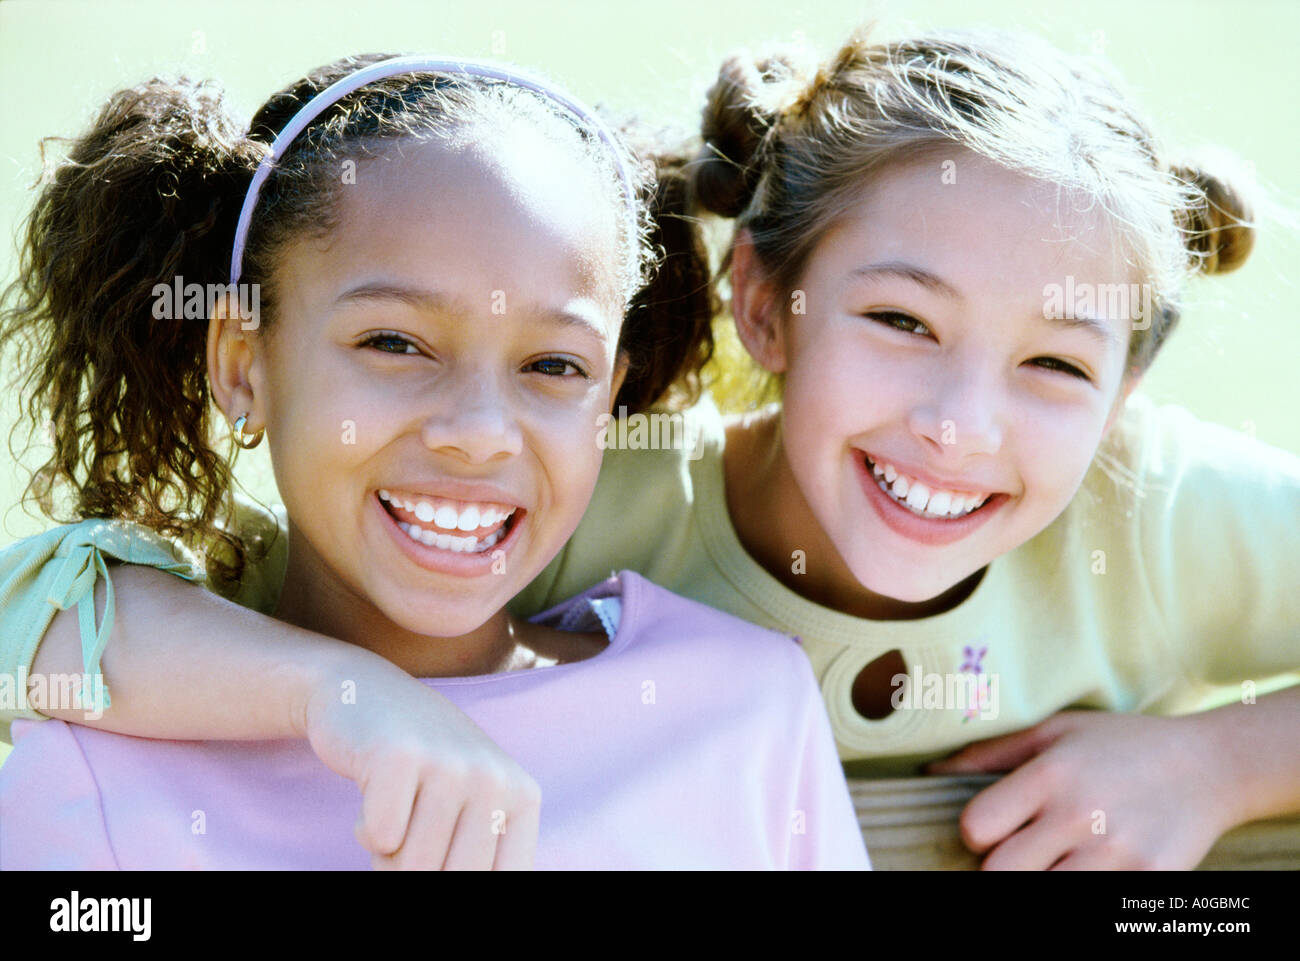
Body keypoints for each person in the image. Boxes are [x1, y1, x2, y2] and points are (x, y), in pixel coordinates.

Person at [7, 27, 1300, 871]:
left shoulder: (1160, 511)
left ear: (1127, 386)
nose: (962, 419)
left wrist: (1217, 764)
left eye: (1059, 362)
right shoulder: (586, 491)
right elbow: (42, 616)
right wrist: (343, 694)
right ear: (757, 301)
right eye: (902, 320)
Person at [0, 53, 869, 870]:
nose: (480, 431)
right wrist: (343, 693)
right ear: (243, 364)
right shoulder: (90, 787)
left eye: (554, 365)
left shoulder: (742, 710)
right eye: (394, 342)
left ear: (609, 402)